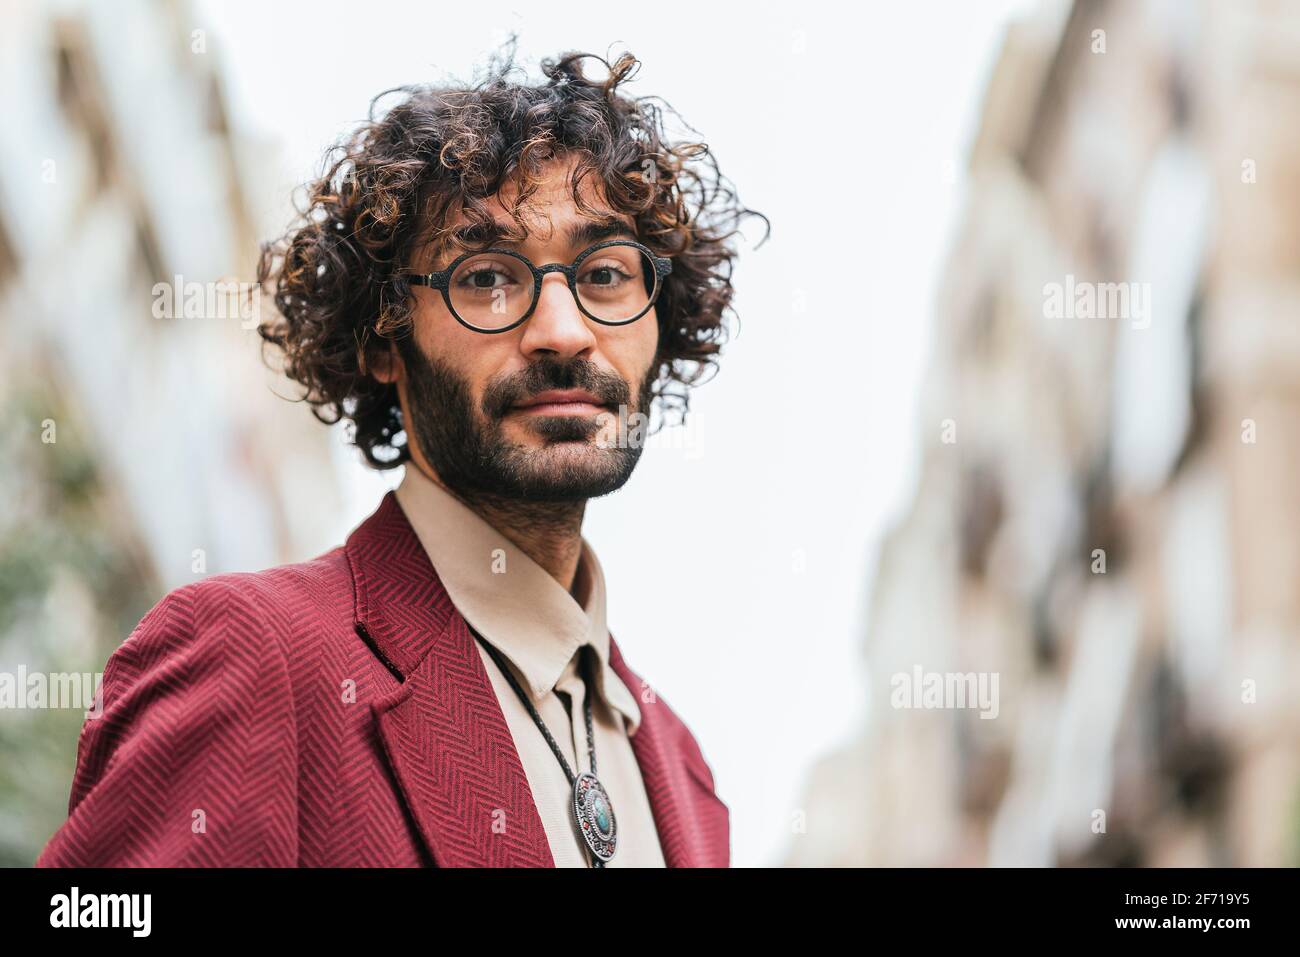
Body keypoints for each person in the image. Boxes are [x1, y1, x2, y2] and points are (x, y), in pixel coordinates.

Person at [37, 47, 764, 868]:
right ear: (385, 339)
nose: (563, 330)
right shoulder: (254, 657)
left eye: (603, 273)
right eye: (487, 276)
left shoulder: (684, 773)